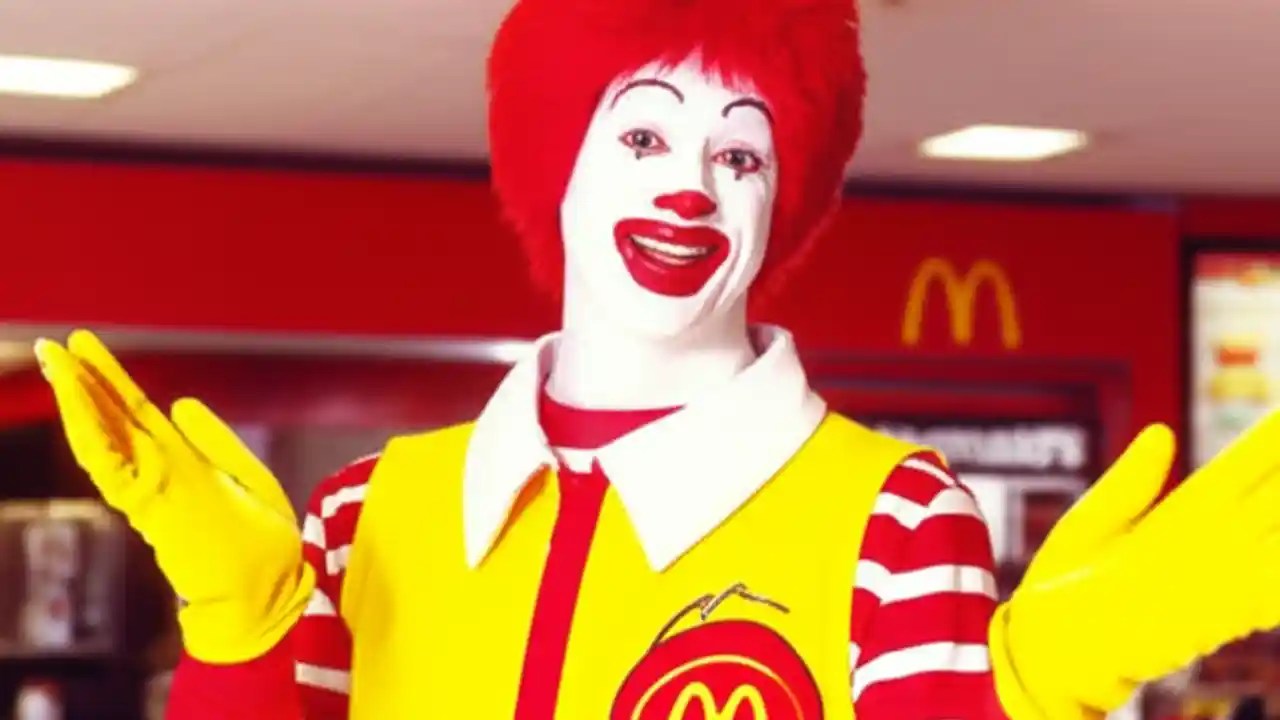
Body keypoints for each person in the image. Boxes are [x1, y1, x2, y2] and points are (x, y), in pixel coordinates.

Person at [34, 0, 1280, 717]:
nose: (688, 186)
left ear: (776, 205)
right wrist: (242, 635)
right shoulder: (368, 513)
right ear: (556, 167)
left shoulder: (891, 523)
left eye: (738, 155)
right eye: (640, 135)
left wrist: (1040, 686)